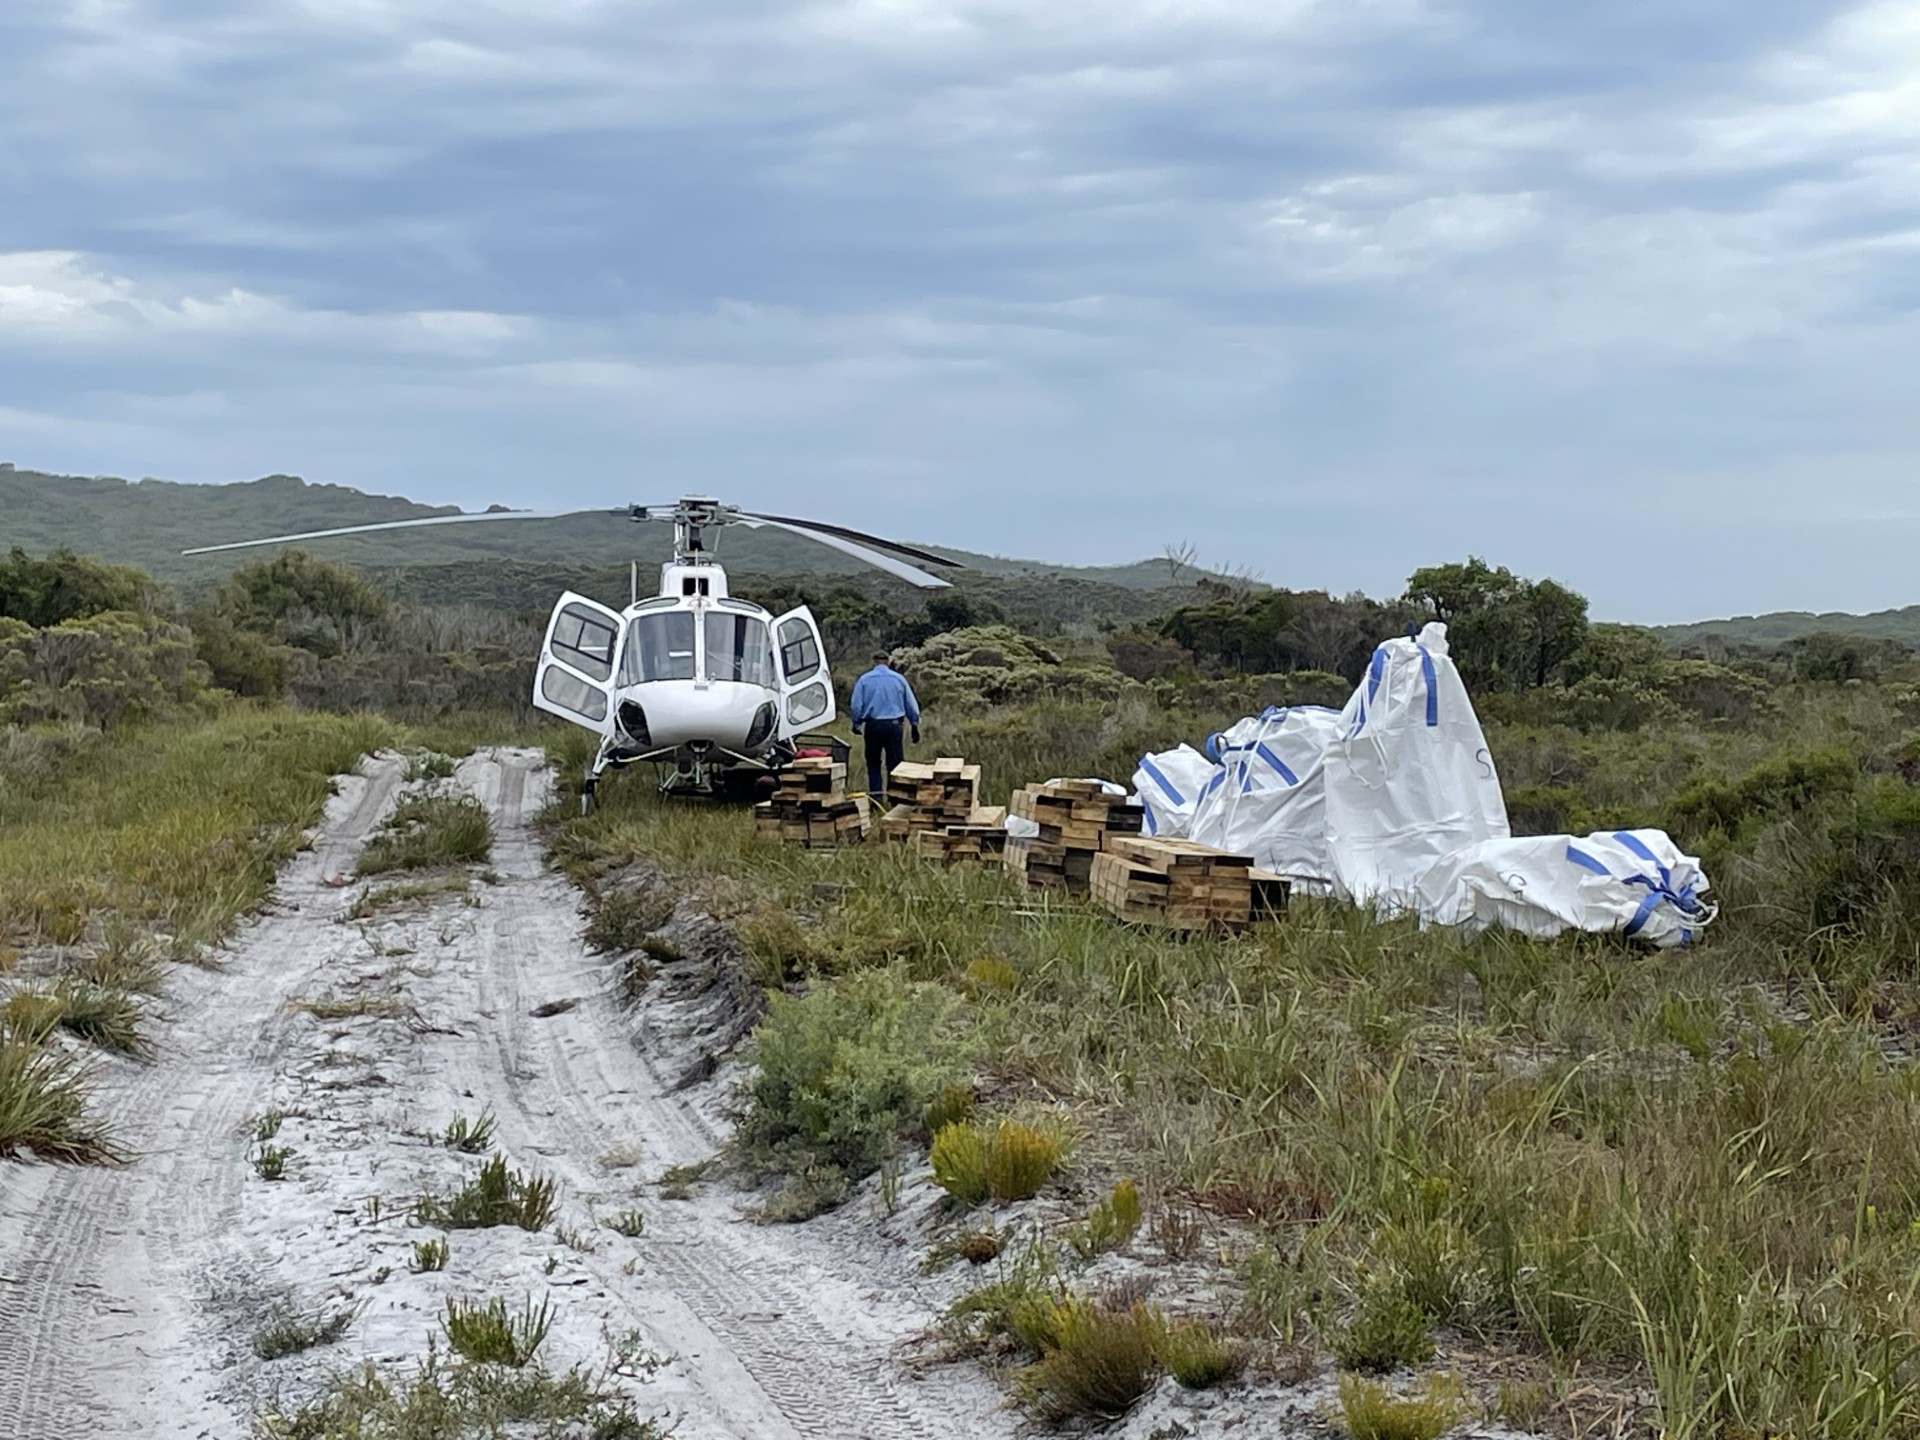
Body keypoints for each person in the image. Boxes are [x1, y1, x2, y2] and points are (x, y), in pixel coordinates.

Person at [849, 650, 921, 800]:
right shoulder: (898, 679)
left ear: (874, 661)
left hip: (873, 726)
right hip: (894, 725)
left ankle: (876, 799)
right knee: (895, 764)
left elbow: (856, 706)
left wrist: (857, 722)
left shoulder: (864, 680)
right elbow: (911, 705)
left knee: (873, 763)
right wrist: (914, 724)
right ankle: (895, 799)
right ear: (888, 661)